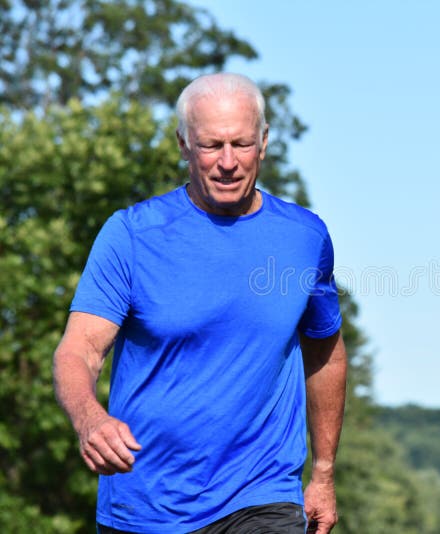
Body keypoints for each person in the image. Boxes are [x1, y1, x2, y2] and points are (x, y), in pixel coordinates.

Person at [53, 72, 347, 533]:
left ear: (264, 143)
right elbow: (79, 350)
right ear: (184, 145)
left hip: (263, 495)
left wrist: (324, 473)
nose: (227, 162)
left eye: (241, 144)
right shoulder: (131, 235)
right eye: (211, 145)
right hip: (146, 504)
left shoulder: (304, 238)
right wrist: (89, 419)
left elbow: (325, 351)